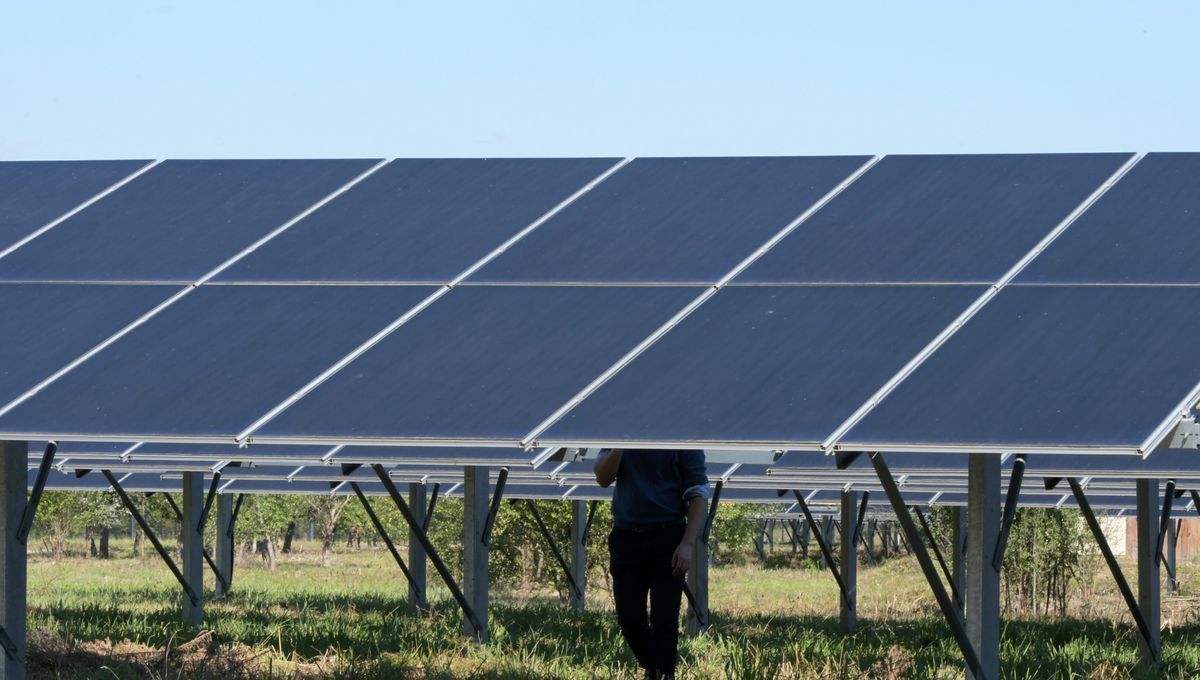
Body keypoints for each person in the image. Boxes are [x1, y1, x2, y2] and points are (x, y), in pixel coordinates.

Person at [594, 448, 709, 680]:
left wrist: (687, 544)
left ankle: (663, 674)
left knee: (664, 618)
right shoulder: (620, 433)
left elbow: (698, 494)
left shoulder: (684, 439)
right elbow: (603, 478)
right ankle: (654, 669)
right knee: (629, 617)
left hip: (668, 538)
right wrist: (621, 444)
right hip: (626, 537)